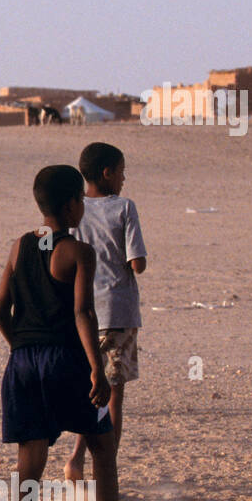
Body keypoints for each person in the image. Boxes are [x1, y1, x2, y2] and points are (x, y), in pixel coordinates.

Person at [0, 164, 146, 501]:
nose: (83, 206)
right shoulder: (78, 252)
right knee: (103, 446)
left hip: (23, 363)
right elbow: (83, 312)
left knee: (30, 460)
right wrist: (96, 369)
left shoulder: (19, 246)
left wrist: (20, 347)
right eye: (80, 200)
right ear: (71, 206)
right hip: (68, 362)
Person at [65, 143, 147, 482]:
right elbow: (137, 263)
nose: (125, 178)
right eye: (122, 170)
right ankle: (105, 470)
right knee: (114, 396)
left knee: (91, 390)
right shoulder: (124, 208)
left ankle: (75, 459)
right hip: (117, 313)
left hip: (81, 313)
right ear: (107, 173)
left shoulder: (73, 210)